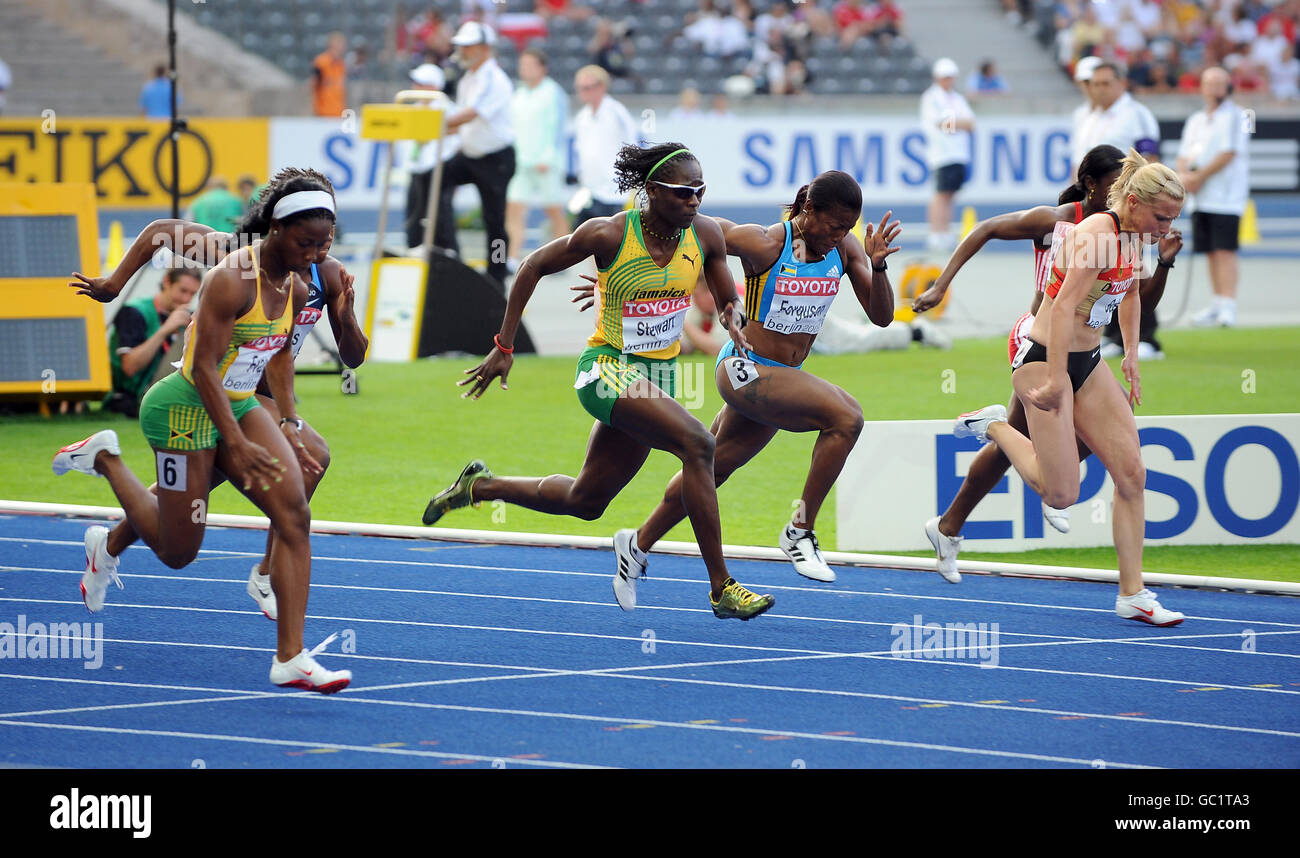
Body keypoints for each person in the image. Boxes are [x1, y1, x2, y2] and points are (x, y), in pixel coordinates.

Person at [422, 143, 775, 621]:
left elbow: (725, 293)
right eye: (684, 193)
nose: (695, 201)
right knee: (698, 444)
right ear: (651, 192)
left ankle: (480, 487)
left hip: (654, 378)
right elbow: (531, 266)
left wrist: (734, 318)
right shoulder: (609, 233)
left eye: (700, 192)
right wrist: (504, 346)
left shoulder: (706, 234)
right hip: (605, 369)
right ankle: (721, 587)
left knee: (586, 501)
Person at [57, 172, 353, 690]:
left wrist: (289, 418)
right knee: (178, 548)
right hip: (191, 402)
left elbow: (295, 353)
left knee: (295, 507)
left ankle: (288, 649)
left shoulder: (314, 277)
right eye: (309, 240)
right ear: (278, 227)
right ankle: (105, 460)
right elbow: (158, 237)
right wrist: (112, 284)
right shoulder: (230, 259)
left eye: (327, 238)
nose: (320, 249)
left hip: (245, 400)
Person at [606, 171, 900, 599]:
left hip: (782, 379)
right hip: (745, 370)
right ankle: (800, 530)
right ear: (809, 210)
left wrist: (878, 264)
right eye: (834, 226)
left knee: (710, 468)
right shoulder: (765, 243)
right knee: (847, 417)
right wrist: (616, 272)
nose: (840, 236)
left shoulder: (846, 249)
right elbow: (696, 231)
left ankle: (636, 545)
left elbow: (883, 316)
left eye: (848, 228)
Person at [913, 145, 1180, 579]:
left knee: (1034, 450)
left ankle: (952, 524)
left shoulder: (1134, 236)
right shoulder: (1067, 222)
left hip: (1083, 351)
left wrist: (1132, 350)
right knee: (1034, 456)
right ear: (1097, 186)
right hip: (1036, 340)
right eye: (1115, 185)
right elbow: (987, 231)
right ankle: (1011, 448)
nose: (1166, 227)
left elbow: (1132, 294)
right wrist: (941, 285)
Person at [434, 21, 516, 285]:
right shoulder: (468, 78)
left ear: (484, 48)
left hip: (495, 159)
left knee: (495, 222)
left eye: (468, 46)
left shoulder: (494, 78)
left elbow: (471, 115)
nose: (462, 51)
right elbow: (464, 123)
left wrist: (432, 126)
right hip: (470, 155)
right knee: (435, 182)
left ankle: (497, 275)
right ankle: (449, 251)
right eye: (461, 46)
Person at [1177, 66, 1250, 328]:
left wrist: (1199, 177)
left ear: (1228, 86)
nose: (1214, 88)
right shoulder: (1196, 119)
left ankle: (1229, 304)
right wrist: (1185, 176)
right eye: (1209, 83)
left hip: (1226, 196)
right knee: (1209, 251)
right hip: (1201, 197)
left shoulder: (1239, 116)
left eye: (1220, 83)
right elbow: (1184, 154)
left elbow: (1229, 152)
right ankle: (1217, 302)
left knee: (1225, 250)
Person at [505, 49, 570, 273]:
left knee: (553, 211)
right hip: (521, 162)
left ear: (542, 68)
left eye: (529, 64)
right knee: (514, 207)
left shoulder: (553, 93)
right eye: (522, 64)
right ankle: (512, 258)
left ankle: (564, 258)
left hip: (546, 163)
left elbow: (558, 128)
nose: (524, 69)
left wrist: (548, 157)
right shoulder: (518, 94)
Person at [104, 267, 199, 418]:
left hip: (165, 390)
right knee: (194, 332)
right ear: (166, 282)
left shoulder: (188, 317)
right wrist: (165, 330)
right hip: (132, 395)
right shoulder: (134, 312)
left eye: (192, 294)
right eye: (182, 291)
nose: (186, 299)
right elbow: (129, 367)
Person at [571, 65, 638, 226]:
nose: (583, 93)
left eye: (587, 88)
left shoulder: (616, 112)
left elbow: (633, 145)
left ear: (601, 87)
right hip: (590, 191)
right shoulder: (582, 117)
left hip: (615, 192)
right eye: (580, 88)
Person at [403, 62, 459, 250]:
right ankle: (414, 253)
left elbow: (456, 141)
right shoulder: (416, 109)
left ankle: (449, 255)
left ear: (433, 87)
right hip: (417, 171)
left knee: (441, 220)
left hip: (438, 172)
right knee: (414, 219)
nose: (415, 88)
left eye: (420, 84)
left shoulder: (448, 109)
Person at [920, 58, 975, 254]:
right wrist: (956, 123)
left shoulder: (957, 99)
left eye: (950, 77)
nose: (948, 81)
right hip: (941, 154)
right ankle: (936, 232)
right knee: (940, 194)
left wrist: (953, 123)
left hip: (958, 154)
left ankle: (945, 230)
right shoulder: (932, 97)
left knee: (950, 195)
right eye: (945, 77)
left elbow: (969, 124)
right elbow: (943, 125)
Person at [312, 32, 349, 117]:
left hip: (339, 113)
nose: (341, 47)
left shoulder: (341, 65)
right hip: (324, 113)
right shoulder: (321, 62)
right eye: (339, 44)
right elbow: (314, 85)